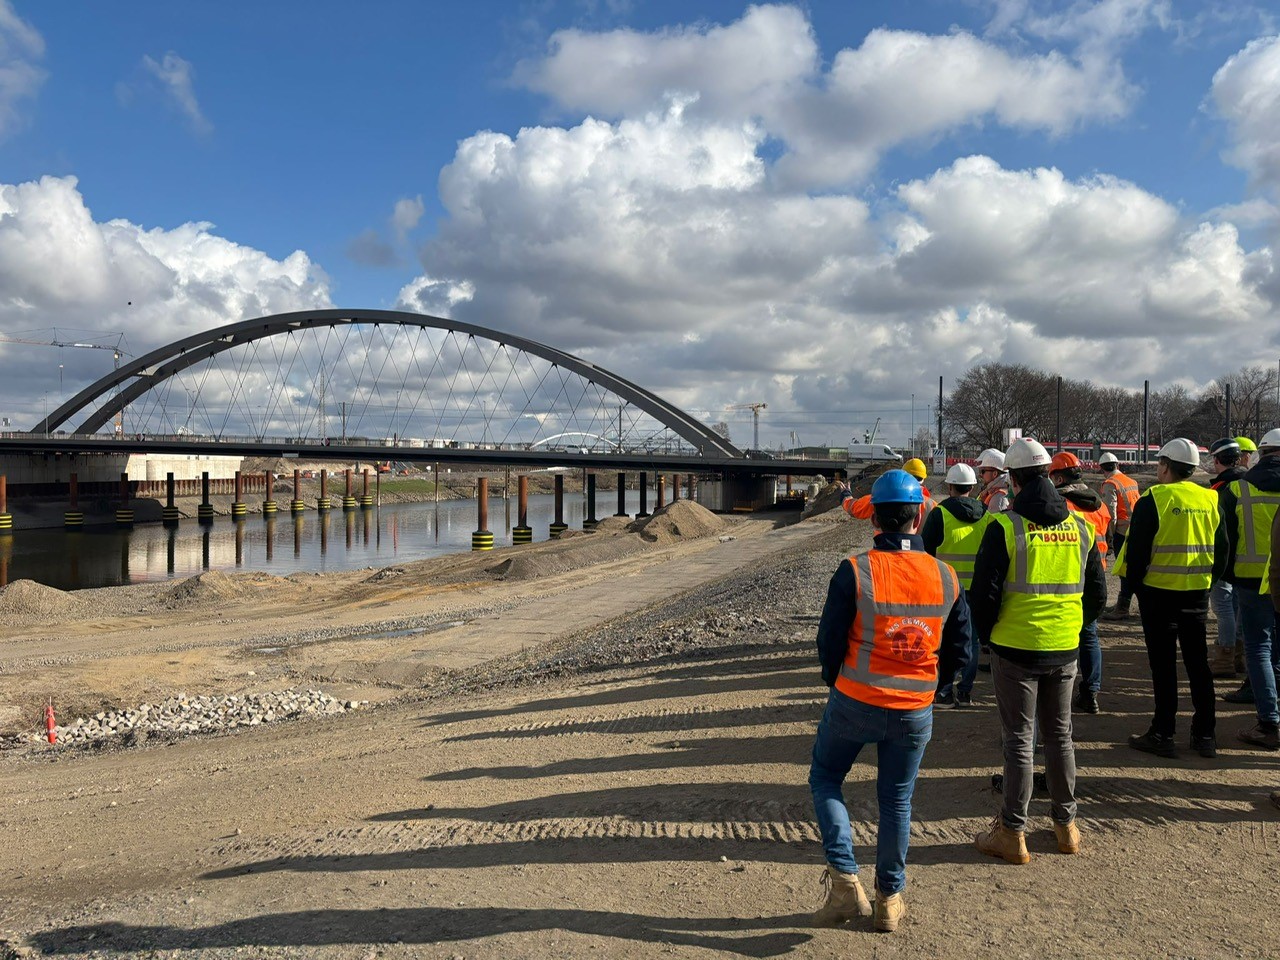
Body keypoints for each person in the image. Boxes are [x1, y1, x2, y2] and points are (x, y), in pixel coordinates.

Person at [810, 469, 971, 932]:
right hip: (914, 710)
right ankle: (889, 898)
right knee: (897, 800)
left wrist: (835, 680)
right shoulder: (945, 575)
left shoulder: (856, 570)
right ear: (919, 515)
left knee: (826, 778)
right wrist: (936, 686)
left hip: (854, 700)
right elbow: (962, 648)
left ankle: (845, 882)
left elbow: (829, 640)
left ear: (874, 519)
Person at [969, 438, 1106, 864]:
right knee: (1060, 737)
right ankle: (1067, 827)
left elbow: (984, 596)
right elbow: (1097, 595)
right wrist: (1071, 625)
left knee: (1019, 742)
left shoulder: (1005, 527)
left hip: (1015, 648)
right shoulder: (1080, 527)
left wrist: (988, 637)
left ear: (1013, 479)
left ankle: (1013, 832)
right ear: (1048, 474)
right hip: (1064, 648)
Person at [1118, 439, 1227, 759]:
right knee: (1198, 664)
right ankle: (1205, 734)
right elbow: (1223, 550)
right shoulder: (1210, 499)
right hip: (1196, 593)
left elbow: (1137, 554)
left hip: (1158, 595)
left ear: (1165, 466)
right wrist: (1208, 582)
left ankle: (1163, 732)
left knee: (1163, 666)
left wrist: (1137, 589)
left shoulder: (1155, 498)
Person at [1218, 428, 1280, 751]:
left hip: (1251, 580)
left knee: (1259, 649)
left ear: (1262, 454)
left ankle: (1269, 722)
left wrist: (1230, 575)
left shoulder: (1237, 489)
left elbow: (1226, 539)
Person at [922, 462, 990, 707]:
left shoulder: (940, 514)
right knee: (971, 640)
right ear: (972, 487)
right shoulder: (987, 516)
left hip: (945, 588)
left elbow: (926, 552)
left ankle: (944, 691)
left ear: (950, 486)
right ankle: (965, 691)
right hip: (977, 589)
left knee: (944, 640)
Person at [1049, 452, 1111, 714]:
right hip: (1096, 575)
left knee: (1060, 635)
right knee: (1089, 635)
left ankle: (1057, 691)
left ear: (1059, 478)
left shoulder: (1060, 504)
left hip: (1069, 575)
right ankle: (1091, 692)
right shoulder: (1099, 505)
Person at [1207, 438, 1249, 683]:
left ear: (1216, 460)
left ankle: (1225, 658)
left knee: (1223, 609)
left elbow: (1218, 528)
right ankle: (1239, 657)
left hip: (1224, 557)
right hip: (1247, 557)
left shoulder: (1221, 489)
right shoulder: (1248, 483)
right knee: (1237, 608)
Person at [1099, 452, 1141, 620]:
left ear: (1102, 469)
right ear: (1117, 465)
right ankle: (1123, 604)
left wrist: (1109, 536)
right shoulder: (1131, 481)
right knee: (1131, 568)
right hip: (1135, 528)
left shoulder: (1110, 484)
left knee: (1124, 570)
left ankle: (1122, 607)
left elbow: (1111, 513)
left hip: (1122, 532)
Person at [841, 458, 934, 525]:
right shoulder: (932, 506)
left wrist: (846, 496)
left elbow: (856, 508)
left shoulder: (885, 496)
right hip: (919, 547)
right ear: (923, 479)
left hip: (885, 545)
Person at [976, 448, 1010, 513]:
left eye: (983, 471)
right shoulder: (992, 491)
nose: (980, 475)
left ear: (995, 474)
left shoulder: (999, 498)